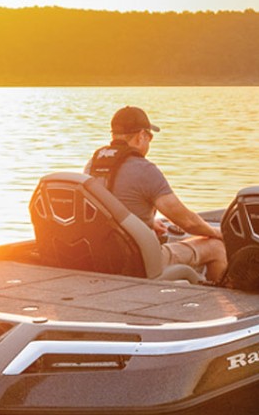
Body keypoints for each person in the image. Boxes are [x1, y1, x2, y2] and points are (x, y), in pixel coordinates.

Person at [87, 106, 228, 283]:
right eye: (150, 137)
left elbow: (107, 207)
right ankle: (218, 303)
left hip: (102, 257)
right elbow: (188, 222)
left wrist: (146, 222)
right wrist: (216, 233)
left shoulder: (94, 164)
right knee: (216, 247)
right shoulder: (145, 170)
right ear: (141, 136)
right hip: (138, 262)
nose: (149, 143)